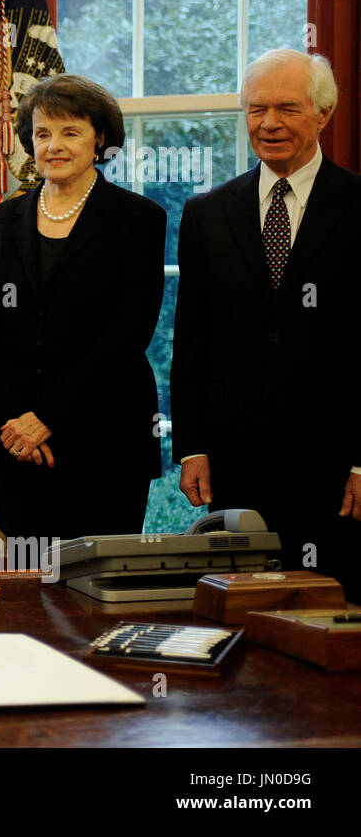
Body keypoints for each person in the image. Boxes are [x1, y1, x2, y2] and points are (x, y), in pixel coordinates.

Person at [171, 49, 361, 596]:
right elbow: (192, 340)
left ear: (324, 114)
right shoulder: (207, 213)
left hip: (335, 467)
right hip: (235, 465)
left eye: (287, 108)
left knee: (331, 616)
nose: (269, 123)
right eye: (256, 109)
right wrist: (193, 447)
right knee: (241, 613)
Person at [0, 74, 165, 540]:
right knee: (27, 597)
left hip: (105, 440)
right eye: (42, 133)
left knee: (99, 597)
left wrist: (48, 418)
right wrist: (19, 424)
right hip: (17, 446)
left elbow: (126, 335)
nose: (54, 145)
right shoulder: (1, 221)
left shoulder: (137, 220)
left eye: (69, 132)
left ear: (100, 139)